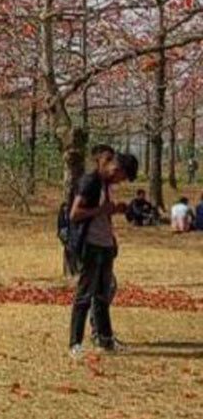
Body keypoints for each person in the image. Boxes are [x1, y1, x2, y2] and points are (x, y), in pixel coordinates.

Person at [68, 148, 138, 359]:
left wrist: (115, 211)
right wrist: (103, 210)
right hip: (91, 245)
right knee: (84, 295)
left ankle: (106, 340)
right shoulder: (90, 182)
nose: (121, 181)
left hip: (105, 244)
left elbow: (103, 212)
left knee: (102, 295)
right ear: (115, 168)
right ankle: (75, 343)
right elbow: (75, 214)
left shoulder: (105, 185)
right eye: (122, 177)